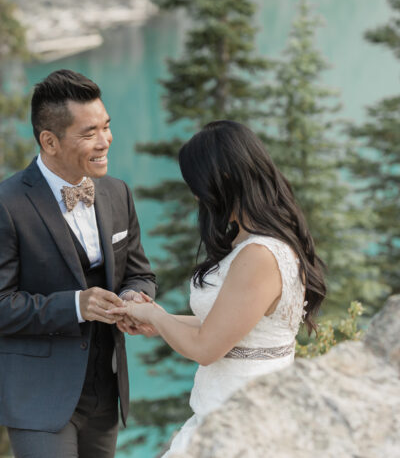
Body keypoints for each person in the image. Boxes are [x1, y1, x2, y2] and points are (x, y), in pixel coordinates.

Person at [0, 69, 157, 458]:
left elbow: (139, 272)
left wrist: (134, 297)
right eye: (89, 133)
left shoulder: (117, 193)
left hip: (105, 392)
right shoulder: (2, 206)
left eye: (106, 127)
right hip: (37, 395)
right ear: (49, 141)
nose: (105, 141)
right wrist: (75, 305)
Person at [110, 120, 327, 456]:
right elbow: (227, 326)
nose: (196, 195)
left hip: (244, 422)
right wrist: (160, 320)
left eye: (197, 185)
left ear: (223, 178)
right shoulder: (254, 242)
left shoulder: (259, 254)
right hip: (233, 412)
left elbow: (206, 347)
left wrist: (153, 315)